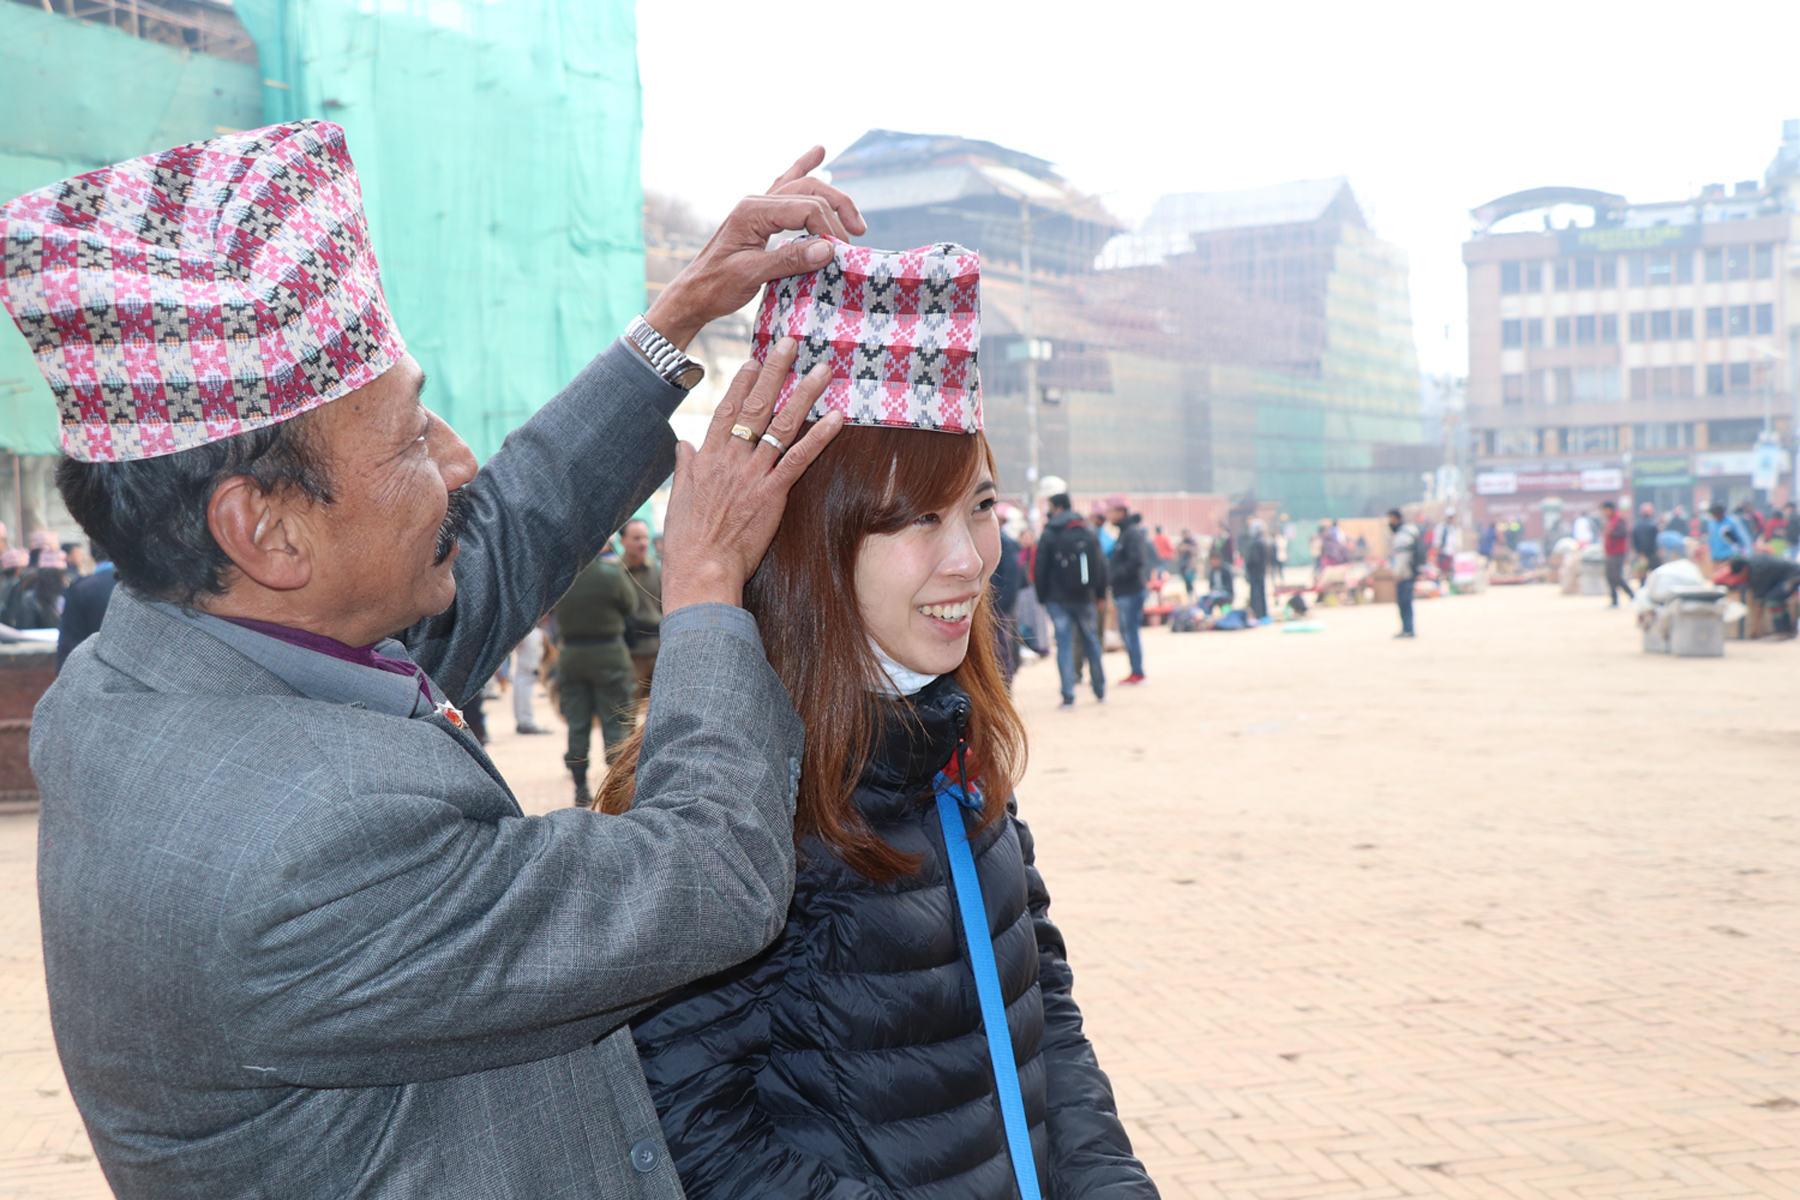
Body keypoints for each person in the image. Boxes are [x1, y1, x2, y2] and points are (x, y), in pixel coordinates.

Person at [10, 122, 865, 1197]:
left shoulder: (165, 665)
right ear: (267, 530)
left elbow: (497, 535)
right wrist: (702, 590)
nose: (455, 463)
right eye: (413, 440)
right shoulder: (299, 849)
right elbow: (704, 881)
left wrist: (678, 322)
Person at [598, 403, 1158, 1200]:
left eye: (982, 507)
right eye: (918, 520)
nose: (970, 558)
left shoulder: (949, 742)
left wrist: (1110, 1183)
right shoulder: (736, 808)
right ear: (814, 539)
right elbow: (686, 1126)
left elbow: (1041, 1007)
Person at [554, 544, 641, 804]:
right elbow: (631, 606)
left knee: (577, 722)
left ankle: (580, 788)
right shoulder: (612, 574)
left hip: (571, 653)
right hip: (608, 653)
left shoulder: (562, 575)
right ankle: (616, 791)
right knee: (616, 719)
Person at [1035, 492, 1108, 707]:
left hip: (1058, 599)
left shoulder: (1050, 532)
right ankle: (1100, 688)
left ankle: (1068, 695)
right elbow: (1101, 564)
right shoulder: (1086, 528)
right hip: (1085, 597)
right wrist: (1101, 594)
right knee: (1091, 641)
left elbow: (1040, 566)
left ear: (1057, 507)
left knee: (1064, 644)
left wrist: (1042, 596)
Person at [619, 516, 664, 706]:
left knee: (662, 707)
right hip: (631, 652)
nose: (643, 543)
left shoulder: (659, 570)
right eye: (636, 538)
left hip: (659, 651)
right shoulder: (616, 573)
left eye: (645, 537)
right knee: (628, 708)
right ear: (623, 541)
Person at [1105, 493, 1149, 685]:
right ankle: (1135, 671)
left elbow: (1136, 560)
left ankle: (1137, 672)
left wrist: (1116, 575)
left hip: (1131, 591)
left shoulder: (1131, 533)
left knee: (1130, 632)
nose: (1109, 515)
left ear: (1121, 511)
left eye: (1111, 511)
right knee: (1128, 632)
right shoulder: (1124, 532)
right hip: (1124, 592)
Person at [56, 541, 117, 671]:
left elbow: (68, 651)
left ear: (91, 554)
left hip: (94, 678)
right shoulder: (146, 587)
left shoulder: (82, 589)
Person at [1715, 554, 1800, 636]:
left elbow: (1760, 602)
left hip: (1794, 575)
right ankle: (1788, 630)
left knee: (1773, 599)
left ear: (1744, 569)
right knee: (1778, 599)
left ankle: (1782, 631)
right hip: (1786, 576)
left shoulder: (1757, 572)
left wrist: (1756, 628)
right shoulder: (1751, 562)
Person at [1388, 508, 1419, 638]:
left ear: (1397, 519)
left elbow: (1402, 557)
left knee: (1404, 603)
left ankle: (1407, 629)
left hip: (1404, 574)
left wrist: (1398, 574)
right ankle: (1408, 628)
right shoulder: (1410, 532)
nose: (1390, 523)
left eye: (1391, 520)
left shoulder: (1403, 535)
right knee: (1407, 603)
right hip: (1409, 572)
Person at [1600, 500, 1634, 607]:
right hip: (1610, 552)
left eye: (1605, 510)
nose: (1604, 513)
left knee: (1616, 576)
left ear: (1610, 510)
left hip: (1618, 552)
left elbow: (1624, 533)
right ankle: (1614, 600)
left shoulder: (1619, 519)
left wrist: (1610, 533)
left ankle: (1632, 595)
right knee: (1609, 576)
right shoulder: (1609, 520)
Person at [1242, 518, 1270, 620]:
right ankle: (1263, 614)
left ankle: (1258, 615)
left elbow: (1254, 559)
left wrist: (1247, 567)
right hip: (1261, 571)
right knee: (1261, 594)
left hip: (1255, 573)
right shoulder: (1264, 540)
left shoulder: (1256, 542)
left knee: (1256, 595)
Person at [1630, 502, 1661, 579]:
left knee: (1642, 576)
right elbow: (1657, 541)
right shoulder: (1653, 526)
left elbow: (1634, 540)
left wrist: (1639, 551)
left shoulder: (1637, 526)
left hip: (1641, 555)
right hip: (1652, 554)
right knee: (1656, 574)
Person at [1175, 527, 1200, 598]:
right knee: (1186, 582)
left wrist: (1189, 548)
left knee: (1191, 582)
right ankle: (1189, 596)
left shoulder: (1193, 542)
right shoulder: (1181, 542)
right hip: (1183, 565)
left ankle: (1194, 596)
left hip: (1191, 565)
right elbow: (1177, 553)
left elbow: (1197, 551)